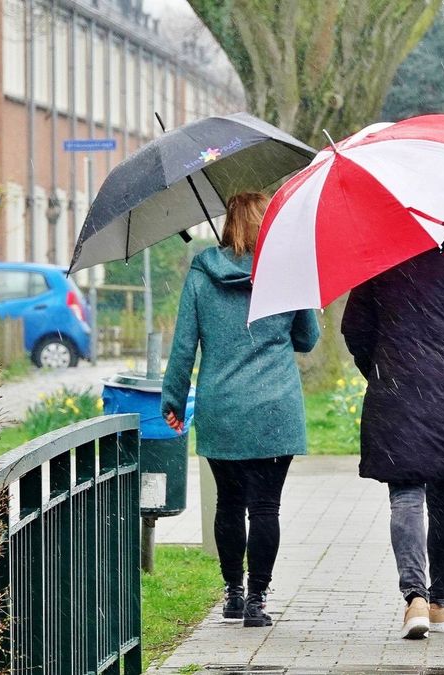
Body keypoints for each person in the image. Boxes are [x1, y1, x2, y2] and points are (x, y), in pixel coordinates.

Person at [341, 206, 444, 640]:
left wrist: (384, 366)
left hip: (397, 392)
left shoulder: (379, 263)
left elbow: (355, 331)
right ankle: (441, 601)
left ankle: (412, 596)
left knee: (406, 498)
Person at [161, 191, 321, 628]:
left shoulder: (201, 273)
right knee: (266, 508)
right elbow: (307, 338)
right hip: (274, 408)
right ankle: (256, 601)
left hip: (222, 407)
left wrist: (173, 400)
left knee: (228, 505)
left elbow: (182, 347)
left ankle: (232, 593)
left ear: (229, 224)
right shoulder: (286, 270)